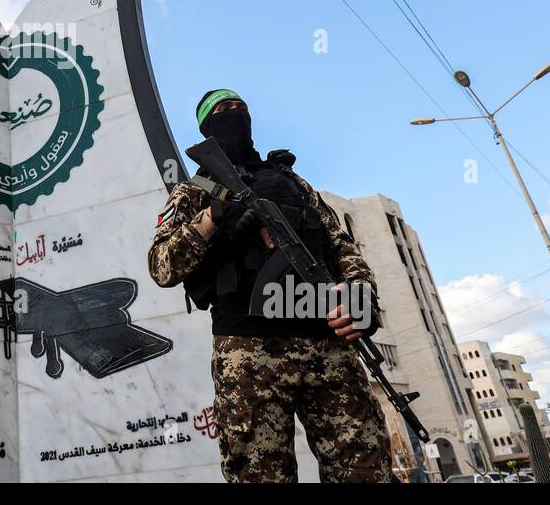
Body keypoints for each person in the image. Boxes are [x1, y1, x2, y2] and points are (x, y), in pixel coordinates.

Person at [148, 89, 392, 482]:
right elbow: (161, 266)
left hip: (326, 340)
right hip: (247, 350)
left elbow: (341, 247)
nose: (234, 115)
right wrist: (212, 218)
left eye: (240, 109)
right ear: (206, 127)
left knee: (366, 469)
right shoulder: (194, 191)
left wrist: (362, 300)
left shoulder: (292, 182)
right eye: (223, 111)